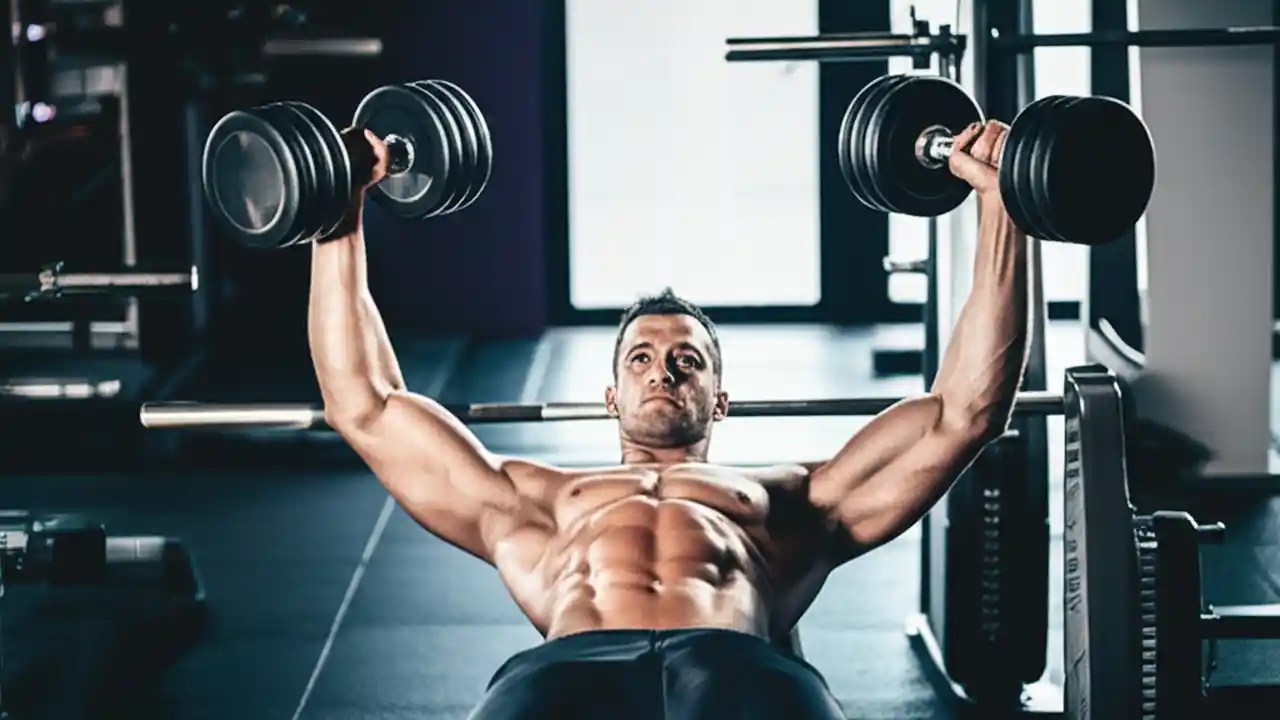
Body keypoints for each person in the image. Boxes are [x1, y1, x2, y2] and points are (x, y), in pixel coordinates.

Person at [308, 119, 1028, 719]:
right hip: (568, 672)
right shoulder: (535, 502)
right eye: (641, 359)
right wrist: (336, 218)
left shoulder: (790, 502)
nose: (662, 370)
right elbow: (365, 405)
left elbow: (962, 413)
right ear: (610, 396)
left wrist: (1003, 207)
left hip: (734, 666)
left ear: (720, 398)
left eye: (688, 360)